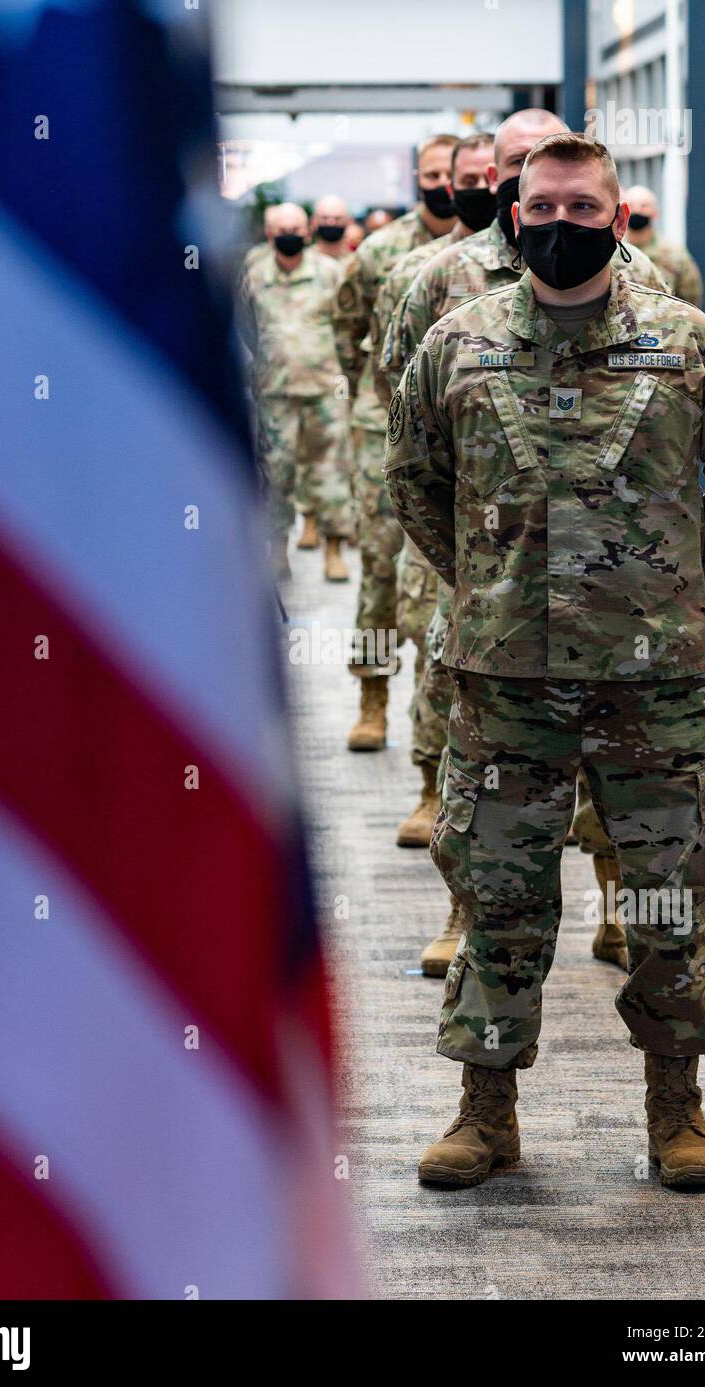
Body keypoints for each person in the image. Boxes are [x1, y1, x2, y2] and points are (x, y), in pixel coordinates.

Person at [385, 132, 705, 1190]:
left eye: (582, 207)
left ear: (615, 215)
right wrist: (486, 588)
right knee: (498, 895)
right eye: (542, 207)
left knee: (666, 895)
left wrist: (682, 594)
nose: (561, 225)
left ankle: (676, 1108)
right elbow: (417, 481)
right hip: (502, 686)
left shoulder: (689, 347)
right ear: (513, 217)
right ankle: (485, 1112)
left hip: (655, 688)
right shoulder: (457, 345)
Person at [381, 110, 669, 977]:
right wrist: (469, 564)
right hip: (487, 570)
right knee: (483, 757)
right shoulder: (443, 279)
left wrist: (671, 582)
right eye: (507, 168)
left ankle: (618, 900)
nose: (522, 188)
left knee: (616, 753)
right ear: (498, 180)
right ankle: (468, 915)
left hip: (616, 579)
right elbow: (405, 413)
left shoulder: (642, 279)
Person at [369, 133, 495, 852]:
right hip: (463, 517)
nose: (481, 186)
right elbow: (397, 385)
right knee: (436, 642)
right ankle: (431, 785)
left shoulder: (639, 281)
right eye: (467, 176)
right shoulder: (425, 273)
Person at [332, 134, 459, 751]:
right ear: (419, 178)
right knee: (382, 570)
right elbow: (348, 327)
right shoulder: (383, 253)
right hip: (383, 434)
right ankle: (373, 694)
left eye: (451, 173)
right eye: (431, 173)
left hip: (462, 448)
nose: (442, 183)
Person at [239, 203, 353, 583]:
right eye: (281, 228)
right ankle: (277, 550)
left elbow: (349, 324)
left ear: (307, 232)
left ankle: (334, 549)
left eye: (296, 227)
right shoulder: (255, 277)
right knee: (276, 472)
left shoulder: (330, 273)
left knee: (330, 470)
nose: (289, 233)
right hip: (275, 390)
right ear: (270, 235)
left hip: (325, 387)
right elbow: (245, 327)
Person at [623, 184, 704, 306]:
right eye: (632, 206)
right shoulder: (613, 253)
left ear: (655, 213)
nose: (637, 210)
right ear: (623, 213)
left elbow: (691, 301)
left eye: (644, 206)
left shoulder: (675, 255)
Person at [311, 195, 351, 261]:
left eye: (337, 218)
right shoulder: (300, 260)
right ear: (314, 221)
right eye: (324, 218)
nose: (331, 223)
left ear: (348, 221)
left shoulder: (356, 262)